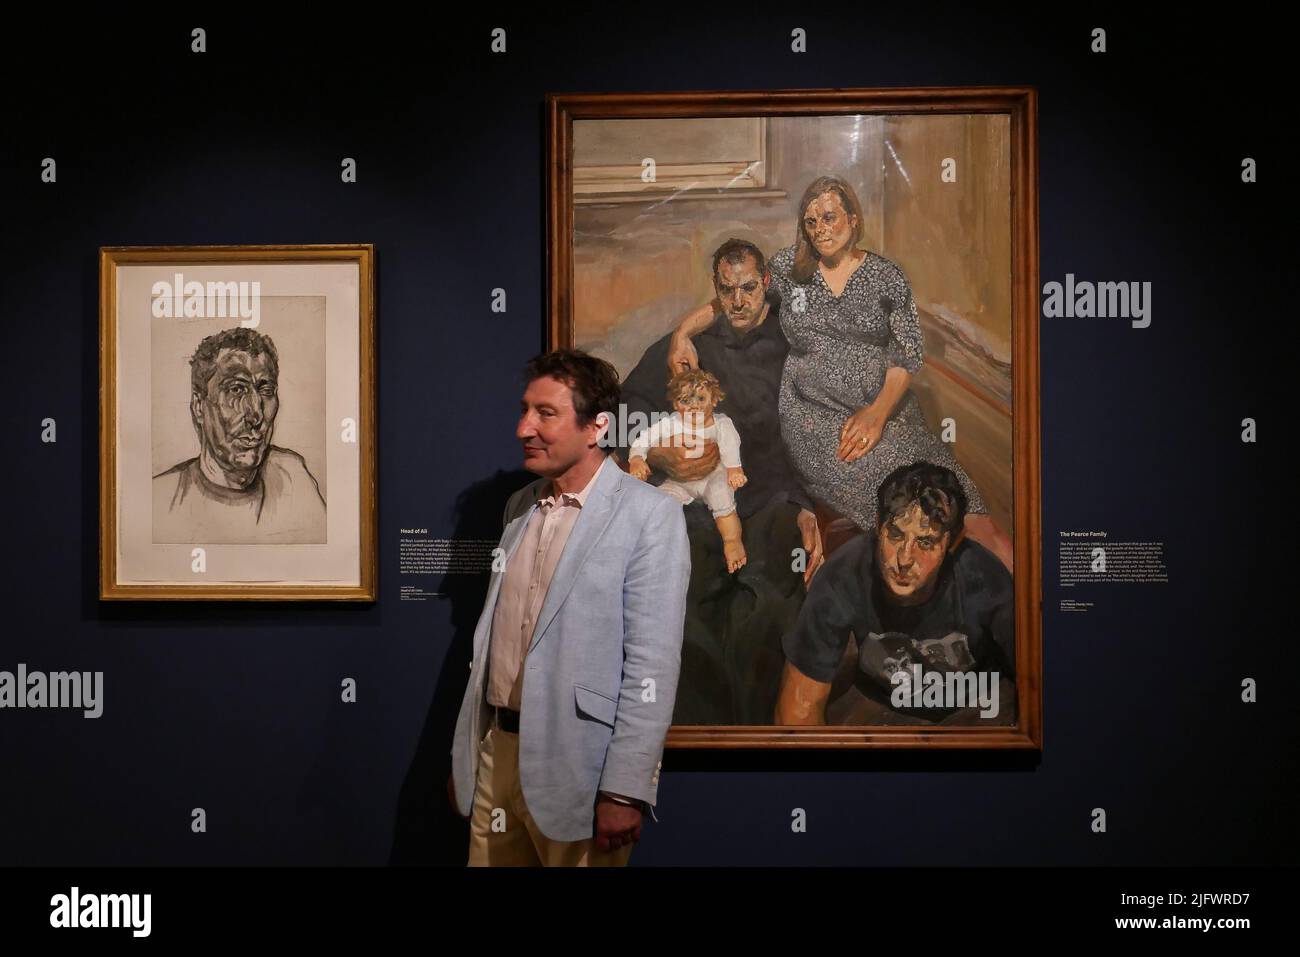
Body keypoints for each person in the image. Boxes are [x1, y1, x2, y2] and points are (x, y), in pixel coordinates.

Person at [668, 176, 1012, 571]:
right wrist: (682, 333)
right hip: (814, 420)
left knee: (970, 515)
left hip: (886, 414)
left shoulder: (886, 276)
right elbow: (732, 297)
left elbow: (906, 353)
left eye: (829, 217)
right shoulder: (789, 270)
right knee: (910, 513)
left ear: (852, 218)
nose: (820, 230)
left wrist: (877, 414)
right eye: (811, 222)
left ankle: (1020, 614)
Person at [448, 350, 690, 866]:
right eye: (524, 410)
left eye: (545, 414)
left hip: (580, 767)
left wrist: (624, 791)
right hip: (499, 756)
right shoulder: (519, 506)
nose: (523, 428)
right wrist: (471, 755)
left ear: (597, 425)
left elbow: (652, 665)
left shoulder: (651, 516)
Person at [618, 238, 823, 724]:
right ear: (716, 289)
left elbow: (821, 431)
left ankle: (756, 733)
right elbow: (624, 411)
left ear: (766, 284)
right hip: (695, 500)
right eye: (727, 290)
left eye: (749, 287)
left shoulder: (792, 341)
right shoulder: (688, 349)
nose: (738, 301)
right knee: (687, 594)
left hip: (772, 497)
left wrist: (808, 504)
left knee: (770, 599)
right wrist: (657, 452)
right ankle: (701, 733)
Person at [774, 462, 1015, 726]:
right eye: (896, 535)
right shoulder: (842, 575)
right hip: (881, 707)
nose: (904, 558)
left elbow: (1039, 687)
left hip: (976, 708)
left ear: (953, 543)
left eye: (925, 542)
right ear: (878, 526)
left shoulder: (987, 579)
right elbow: (799, 709)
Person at [152, 327, 326, 544]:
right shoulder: (159, 501)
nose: (256, 413)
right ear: (198, 406)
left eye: (266, 391)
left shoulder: (292, 476)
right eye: (236, 389)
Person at [628, 368, 748, 573]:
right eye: (686, 401)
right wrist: (637, 459)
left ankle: (732, 542)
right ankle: (654, 549)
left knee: (721, 496)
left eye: (701, 398)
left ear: (714, 400)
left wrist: (734, 469)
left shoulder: (721, 424)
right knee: (661, 501)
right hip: (681, 481)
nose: (694, 407)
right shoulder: (671, 422)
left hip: (713, 476)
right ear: (676, 404)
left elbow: (730, 446)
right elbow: (643, 439)